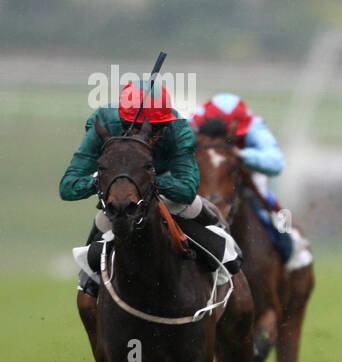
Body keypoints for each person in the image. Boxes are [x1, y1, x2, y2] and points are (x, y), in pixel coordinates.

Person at [60, 80, 241, 300]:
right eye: (144, 127)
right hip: (120, 189)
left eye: (158, 128)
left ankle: (227, 259)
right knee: (103, 221)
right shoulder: (103, 122)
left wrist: (148, 181)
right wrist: (105, 182)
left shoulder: (178, 129)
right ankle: (89, 286)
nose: (152, 134)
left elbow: (187, 189)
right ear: (125, 122)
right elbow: (68, 187)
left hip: (165, 184)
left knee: (195, 207)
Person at [191, 92, 311, 271]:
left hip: (243, 171)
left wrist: (242, 155)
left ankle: (288, 244)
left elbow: (276, 163)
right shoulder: (191, 121)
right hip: (205, 169)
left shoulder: (254, 125)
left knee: (265, 200)